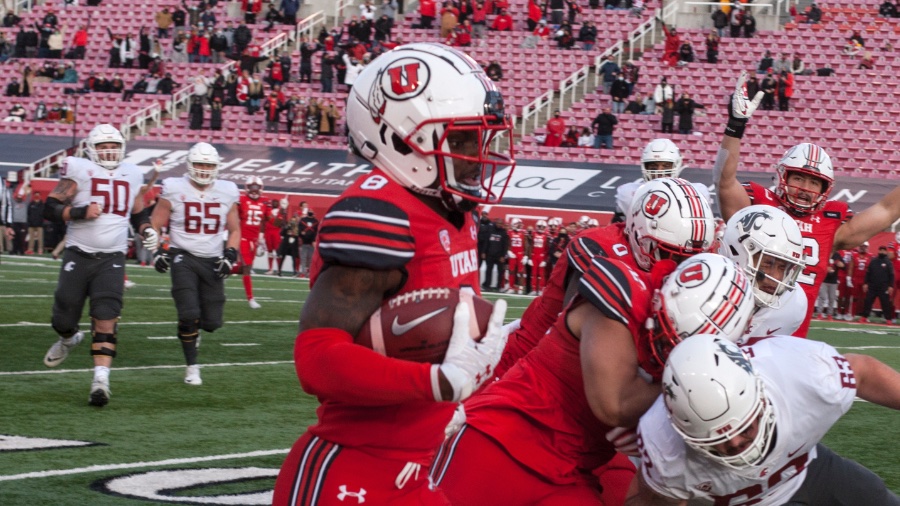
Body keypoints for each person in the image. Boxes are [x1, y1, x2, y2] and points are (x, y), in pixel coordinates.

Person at [272, 43, 515, 505]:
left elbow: (450, 335)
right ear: (403, 139)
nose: (475, 155)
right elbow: (316, 359)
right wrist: (435, 383)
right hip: (352, 469)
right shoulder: (378, 212)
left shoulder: (452, 211)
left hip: (417, 468)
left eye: (480, 139)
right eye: (461, 139)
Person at [434, 252, 755, 505]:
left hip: (575, 471)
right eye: (666, 333)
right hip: (503, 441)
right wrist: (691, 389)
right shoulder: (623, 294)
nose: (666, 348)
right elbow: (613, 405)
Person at [715, 71, 900, 337]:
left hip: (791, 342)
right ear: (783, 176)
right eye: (798, 177)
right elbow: (724, 182)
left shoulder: (831, 224)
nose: (804, 188)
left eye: (814, 183)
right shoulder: (759, 205)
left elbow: (888, 209)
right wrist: (735, 127)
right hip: (737, 330)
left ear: (825, 189)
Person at [629, 334, 900, 505]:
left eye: (745, 426)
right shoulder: (664, 445)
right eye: (716, 440)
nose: (736, 443)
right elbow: (654, 499)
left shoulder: (803, 374)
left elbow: (862, 372)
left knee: (872, 494)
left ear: (760, 396)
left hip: (805, 470)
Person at [41, 124, 154, 407]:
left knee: (106, 315)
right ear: (92, 149)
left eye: (113, 146)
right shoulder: (79, 170)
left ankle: (100, 381)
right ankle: (69, 339)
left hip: (112, 257)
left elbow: (138, 212)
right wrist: (80, 211)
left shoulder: (132, 173)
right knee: (63, 317)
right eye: (103, 146)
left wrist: (147, 229)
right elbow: (50, 208)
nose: (109, 151)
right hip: (78, 253)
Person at [146, 143, 240, 386]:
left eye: (208, 165)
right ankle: (192, 367)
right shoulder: (174, 188)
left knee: (211, 323)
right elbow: (155, 223)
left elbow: (235, 229)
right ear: (189, 164)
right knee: (188, 314)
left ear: (217, 166)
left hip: (212, 259)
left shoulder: (227, 190)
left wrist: (230, 255)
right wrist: (157, 251)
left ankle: (195, 333)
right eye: (199, 163)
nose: (204, 169)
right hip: (183, 256)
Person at [719, 205, 807, 339]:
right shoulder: (703, 291)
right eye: (768, 263)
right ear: (735, 250)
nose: (776, 277)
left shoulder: (792, 305)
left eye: (783, 267)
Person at [612, 139, 711, 224]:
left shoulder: (697, 192)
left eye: (666, 166)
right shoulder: (629, 194)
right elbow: (617, 232)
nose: (659, 171)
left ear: (677, 165)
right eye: (653, 166)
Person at [237, 176, 268, 309]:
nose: (254, 191)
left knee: (242, 268)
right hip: (243, 238)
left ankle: (220, 271)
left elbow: (272, 222)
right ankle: (250, 299)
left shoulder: (265, 202)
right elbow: (233, 218)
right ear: (247, 188)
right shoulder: (241, 200)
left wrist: (282, 211)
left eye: (257, 188)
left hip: (254, 241)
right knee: (247, 267)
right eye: (252, 188)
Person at [860, 245, 895, 324]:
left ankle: (888, 319)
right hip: (872, 286)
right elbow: (868, 273)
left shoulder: (888, 262)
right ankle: (864, 317)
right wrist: (865, 283)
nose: (882, 251)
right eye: (880, 250)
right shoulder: (873, 261)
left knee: (885, 303)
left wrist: (891, 286)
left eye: (883, 250)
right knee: (868, 301)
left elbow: (891, 275)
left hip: (883, 287)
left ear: (886, 252)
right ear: (878, 251)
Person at [262, 198, 283, 275]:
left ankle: (278, 269)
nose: (274, 203)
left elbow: (279, 222)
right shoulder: (268, 210)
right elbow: (266, 220)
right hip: (268, 232)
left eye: (276, 202)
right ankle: (270, 269)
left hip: (276, 232)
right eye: (273, 202)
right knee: (270, 251)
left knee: (278, 251)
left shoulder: (280, 211)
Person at [297, 206, 318, 278]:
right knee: (303, 258)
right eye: (310, 211)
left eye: (312, 211)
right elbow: (299, 229)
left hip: (311, 243)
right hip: (304, 242)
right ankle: (303, 272)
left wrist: (314, 240)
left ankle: (309, 272)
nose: (311, 212)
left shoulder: (316, 221)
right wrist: (301, 234)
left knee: (310, 259)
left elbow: (317, 232)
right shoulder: (303, 220)